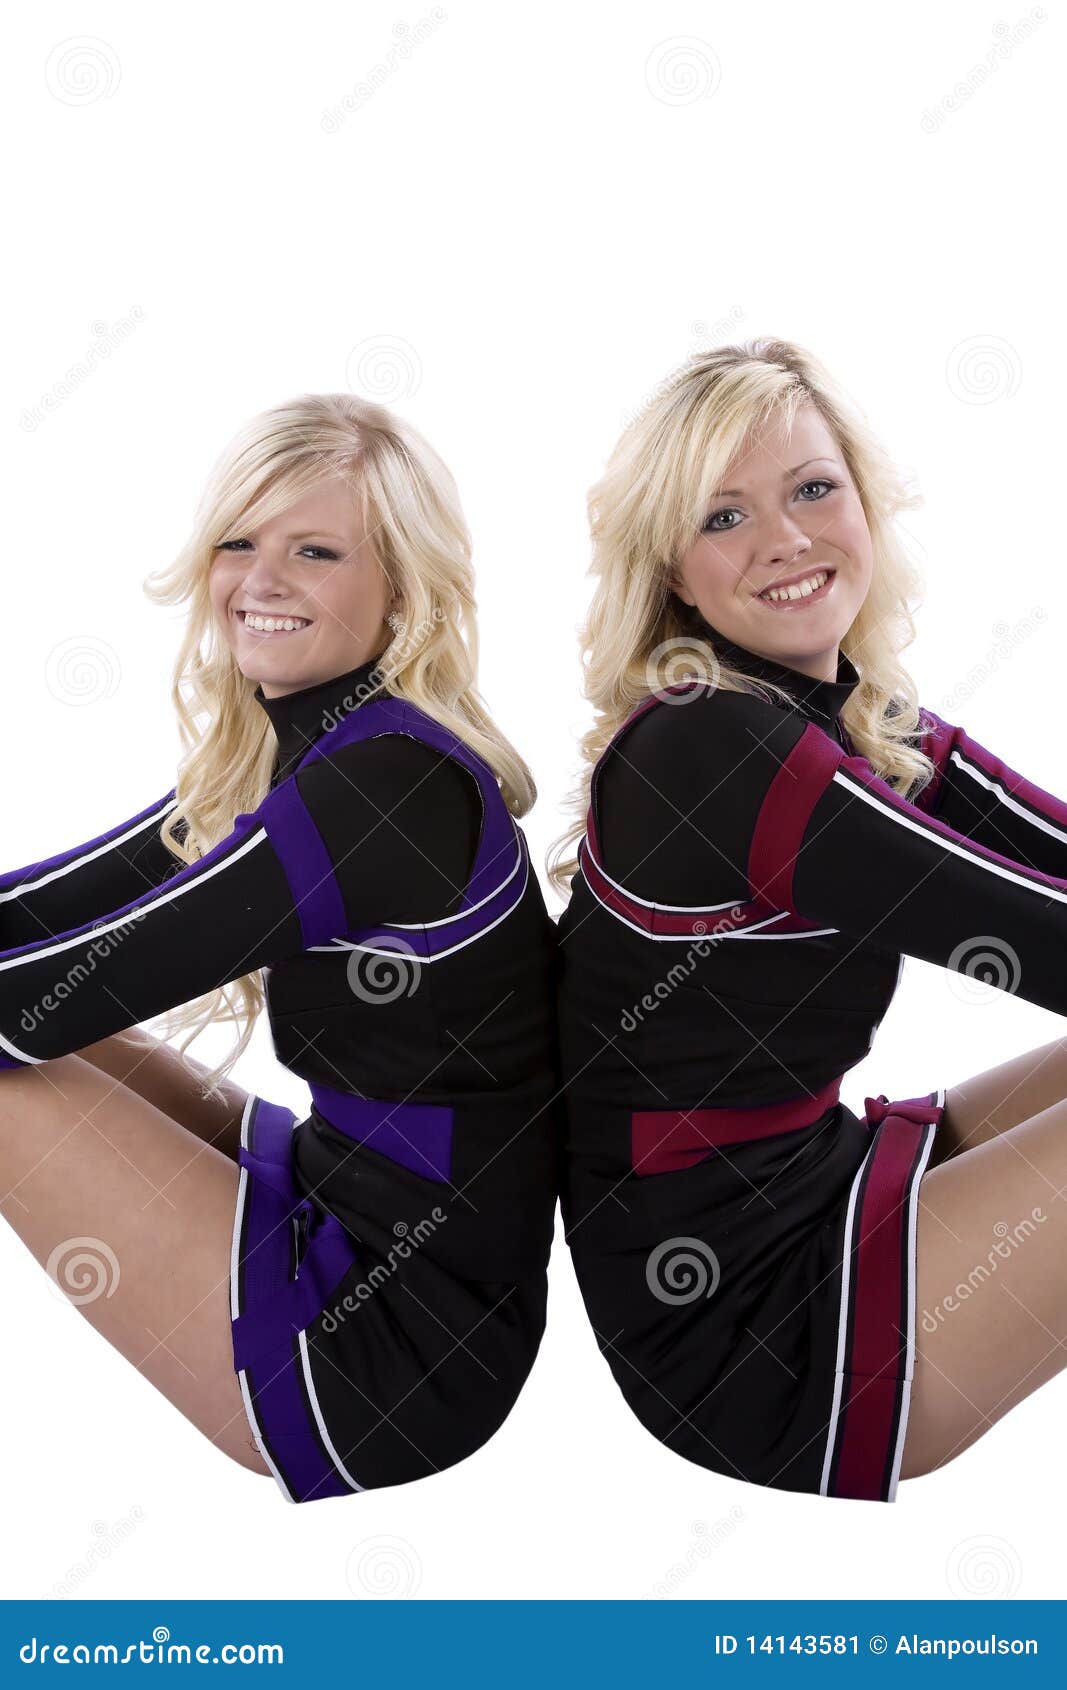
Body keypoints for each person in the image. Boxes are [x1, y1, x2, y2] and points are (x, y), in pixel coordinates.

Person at [0, 393, 558, 1503]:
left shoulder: (386, 790)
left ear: (401, 583)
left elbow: (37, 1004)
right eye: (239, 542)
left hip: (394, 1347)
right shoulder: (321, 744)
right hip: (338, 1195)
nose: (260, 580)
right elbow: (45, 910)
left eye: (314, 550)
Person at [551, 336, 1067, 1503]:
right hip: (746, 1327)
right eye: (721, 517)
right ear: (675, 572)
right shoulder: (711, 745)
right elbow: (1046, 940)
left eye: (810, 489)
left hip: (812, 1183)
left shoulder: (852, 720)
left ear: (863, 508)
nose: (783, 537)